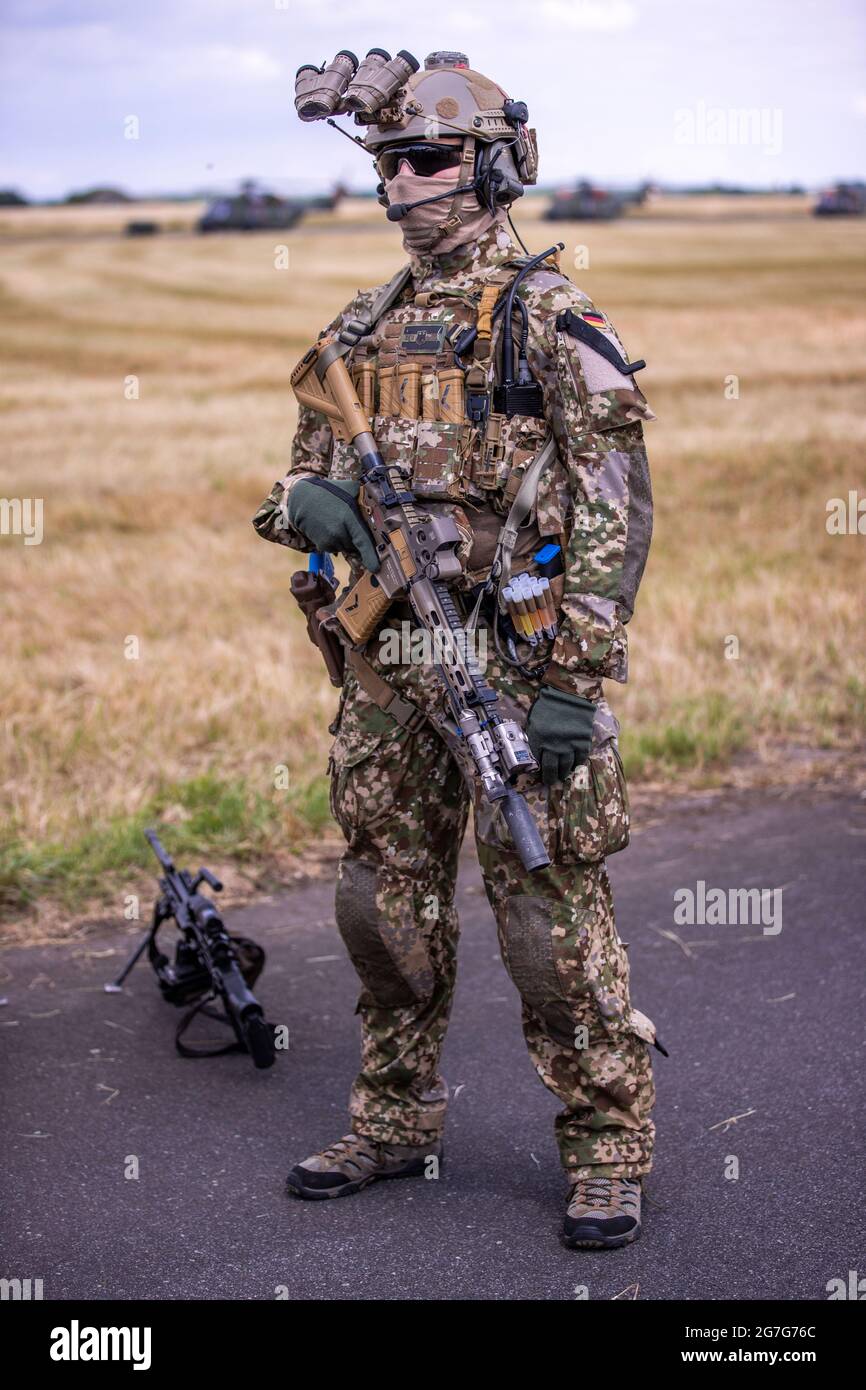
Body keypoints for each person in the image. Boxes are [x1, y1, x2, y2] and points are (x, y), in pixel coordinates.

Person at [254, 50, 662, 1249]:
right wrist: (306, 510)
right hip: (390, 672)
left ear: (491, 166)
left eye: (426, 159)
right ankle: (392, 1118)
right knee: (380, 906)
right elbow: (293, 481)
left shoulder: (549, 317)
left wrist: (574, 684)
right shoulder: (360, 326)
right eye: (386, 162)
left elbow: (611, 509)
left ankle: (605, 1143)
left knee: (545, 914)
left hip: (515, 659)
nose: (400, 184)